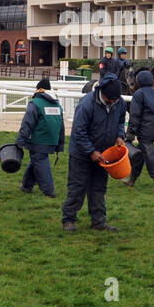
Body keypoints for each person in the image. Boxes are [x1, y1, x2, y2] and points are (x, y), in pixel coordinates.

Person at [63, 73, 127, 232]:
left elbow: (120, 121)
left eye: (115, 100)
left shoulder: (119, 103)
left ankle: (98, 221)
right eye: (110, 100)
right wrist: (91, 151)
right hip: (80, 154)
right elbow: (78, 132)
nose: (112, 102)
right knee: (78, 186)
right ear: (102, 93)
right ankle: (69, 219)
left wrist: (120, 136)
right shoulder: (87, 104)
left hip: (104, 154)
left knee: (99, 187)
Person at [14, 77, 65, 197]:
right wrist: (60, 144)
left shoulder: (35, 103)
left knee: (40, 161)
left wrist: (20, 141)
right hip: (52, 140)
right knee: (36, 160)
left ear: (39, 90)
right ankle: (26, 186)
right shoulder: (57, 105)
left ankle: (49, 190)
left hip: (38, 140)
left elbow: (27, 124)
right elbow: (61, 126)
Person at [125, 69, 154, 191]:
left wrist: (130, 134)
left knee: (150, 156)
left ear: (138, 81)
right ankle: (131, 180)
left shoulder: (138, 94)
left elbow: (135, 115)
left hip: (145, 131)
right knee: (139, 155)